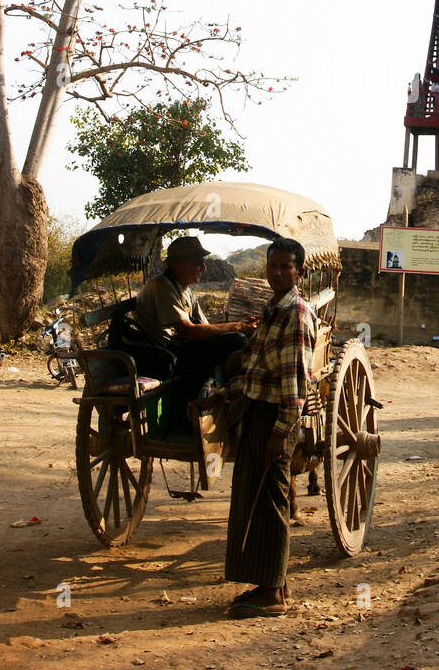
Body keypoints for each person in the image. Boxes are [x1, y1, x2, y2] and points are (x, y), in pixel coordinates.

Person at [225, 238, 317, 615]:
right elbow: (257, 366)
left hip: (275, 417)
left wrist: (281, 433)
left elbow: (295, 383)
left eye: (286, 267)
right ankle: (270, 582)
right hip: (257, 411)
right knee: (256, 499)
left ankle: (273, 595)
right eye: (273, 266)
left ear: (298, 271)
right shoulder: (271, 309)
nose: (277, 273)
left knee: (272, 501)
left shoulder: (295, 313)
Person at [134, 235, 258, 416]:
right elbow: (190, 331)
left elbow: (205, 328)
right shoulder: (161, 286)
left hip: (179, 349)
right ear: (177, 264)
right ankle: (225, 404)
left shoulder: (185, 289)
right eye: (198, 263)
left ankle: (228, 399)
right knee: (237, 341)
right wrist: (237, 327)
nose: (203, 268)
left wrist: (241, 325)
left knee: (241, 339)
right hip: (163, 355)